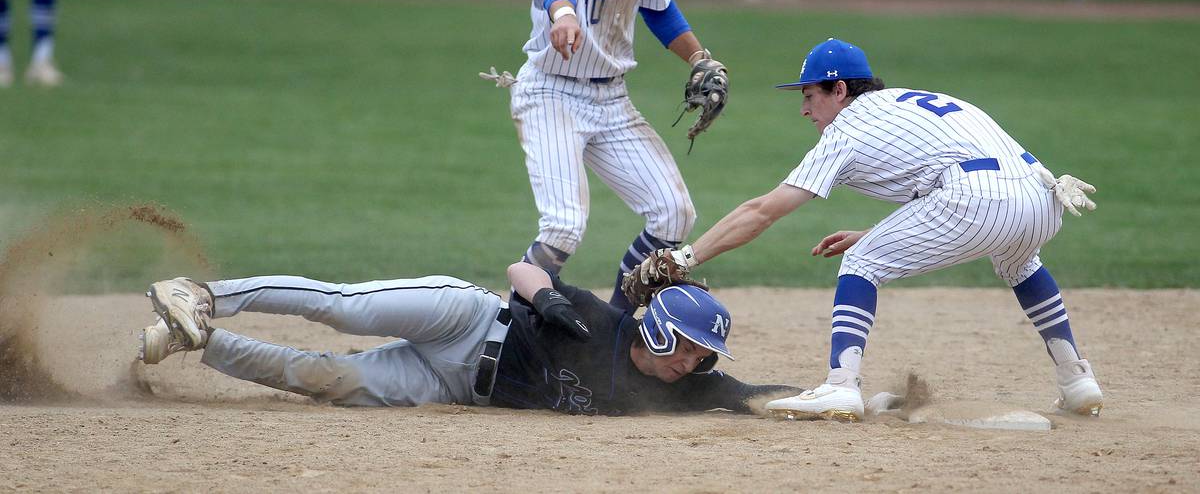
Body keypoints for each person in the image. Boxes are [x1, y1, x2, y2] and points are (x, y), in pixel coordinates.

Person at [625, 37, 1103, 421]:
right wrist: (879, 231)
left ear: (839, 91)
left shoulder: (847, 128)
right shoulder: (907, 104)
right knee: (1020, 263)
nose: (804, 109)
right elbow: (947, 172)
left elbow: (764, 211)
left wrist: (684, 257)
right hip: (1044, 195)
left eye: (810, 95)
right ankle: (1077, 380)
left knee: (863, 262)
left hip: (978, 197)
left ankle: (840, 386)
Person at [488, 0, 730, 312]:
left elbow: (657, 7)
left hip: (612, 97)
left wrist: (699, 57)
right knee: (563, 227)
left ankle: (617, 327)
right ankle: (511, 328)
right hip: (550, 94)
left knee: (675, 213)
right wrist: (564, 14)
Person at [138, 266, 796, 415]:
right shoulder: (600, 322)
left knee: (327, 378)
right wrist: (546, 299)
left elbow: (756, 397)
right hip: (468, 320)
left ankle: (198, 340)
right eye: (688, 346)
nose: (693, 362)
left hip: (453, 386)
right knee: (344, 310)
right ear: (656, 329)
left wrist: (839, 398)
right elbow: (523, 271)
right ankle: (203, 294)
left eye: (703, 355)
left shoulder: (685, 391)